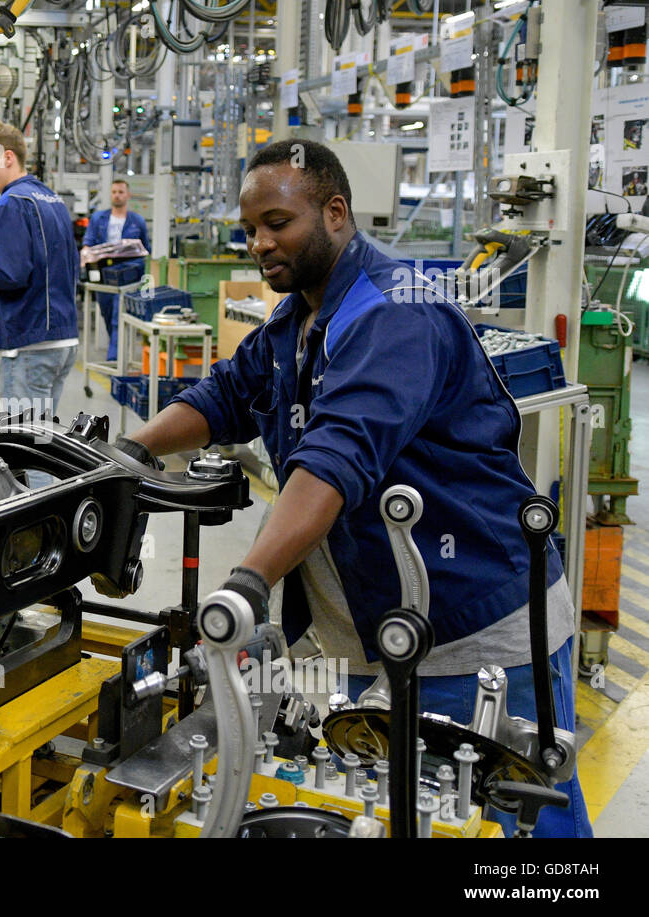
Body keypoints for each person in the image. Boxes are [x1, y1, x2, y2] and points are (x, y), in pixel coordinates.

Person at [122, 139, 590, 838]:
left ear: (335, 211)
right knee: (406, 812)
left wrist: (250, 581)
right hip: (378, 631)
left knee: (519, 832)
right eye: (250, 230)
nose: (260, 243)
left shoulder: (394, 313)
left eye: (278, 222)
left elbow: (338, 456)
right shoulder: (300, 316)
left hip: (476, 629)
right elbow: (224, 395)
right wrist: (128, 451)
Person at [0, 124, 79, 420]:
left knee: (24, 444)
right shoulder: (51, 198)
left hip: (31, 343)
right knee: (43, 442)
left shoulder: (11, 202)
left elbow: (9, 274)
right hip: (63, 340)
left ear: (7, 158)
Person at [80, 179, 150, 362]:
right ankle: (116, 349)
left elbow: (144, 251)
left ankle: (114, 359)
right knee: (107, 312)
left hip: (127, 277)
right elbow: (88, 242)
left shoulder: (137, 221)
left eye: (120, 192)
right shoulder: (98, 219)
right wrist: (86, 254)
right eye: (114, 192)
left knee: (118, 317)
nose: (117, 195)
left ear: (128, 195)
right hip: (104, 276)